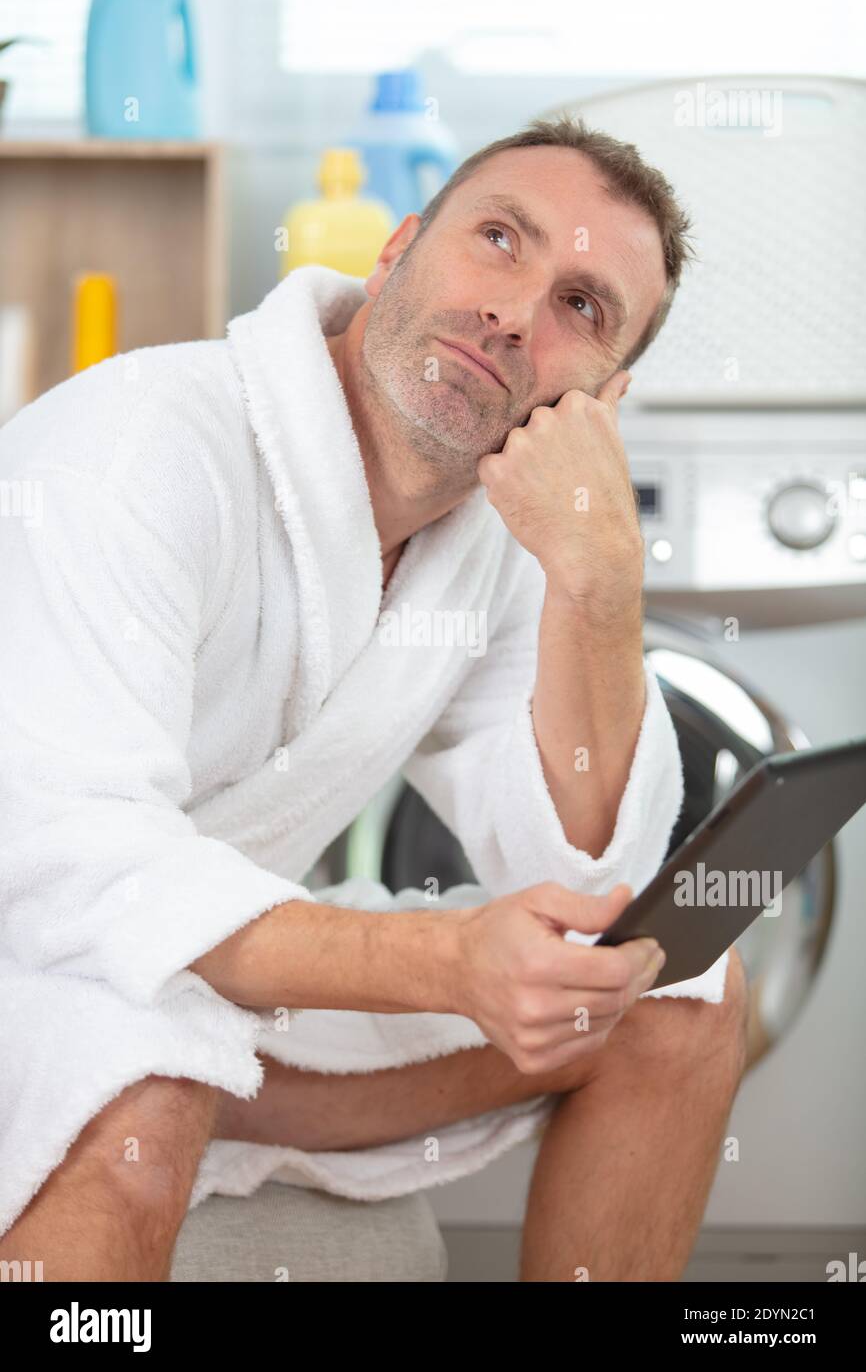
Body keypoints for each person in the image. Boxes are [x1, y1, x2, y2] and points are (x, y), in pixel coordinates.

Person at [0, 115, 747, 1282]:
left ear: (604, 395)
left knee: (678, 988)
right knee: (141, 1068)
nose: (513, 313)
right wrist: (447, 963)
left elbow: (591, 878)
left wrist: (600, 583)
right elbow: (77, 868)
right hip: (37, 966)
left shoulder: (500, 546)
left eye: (580, 306)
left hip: (220, 997)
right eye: (498, 239)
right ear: (396, 249)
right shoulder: (143, 445)